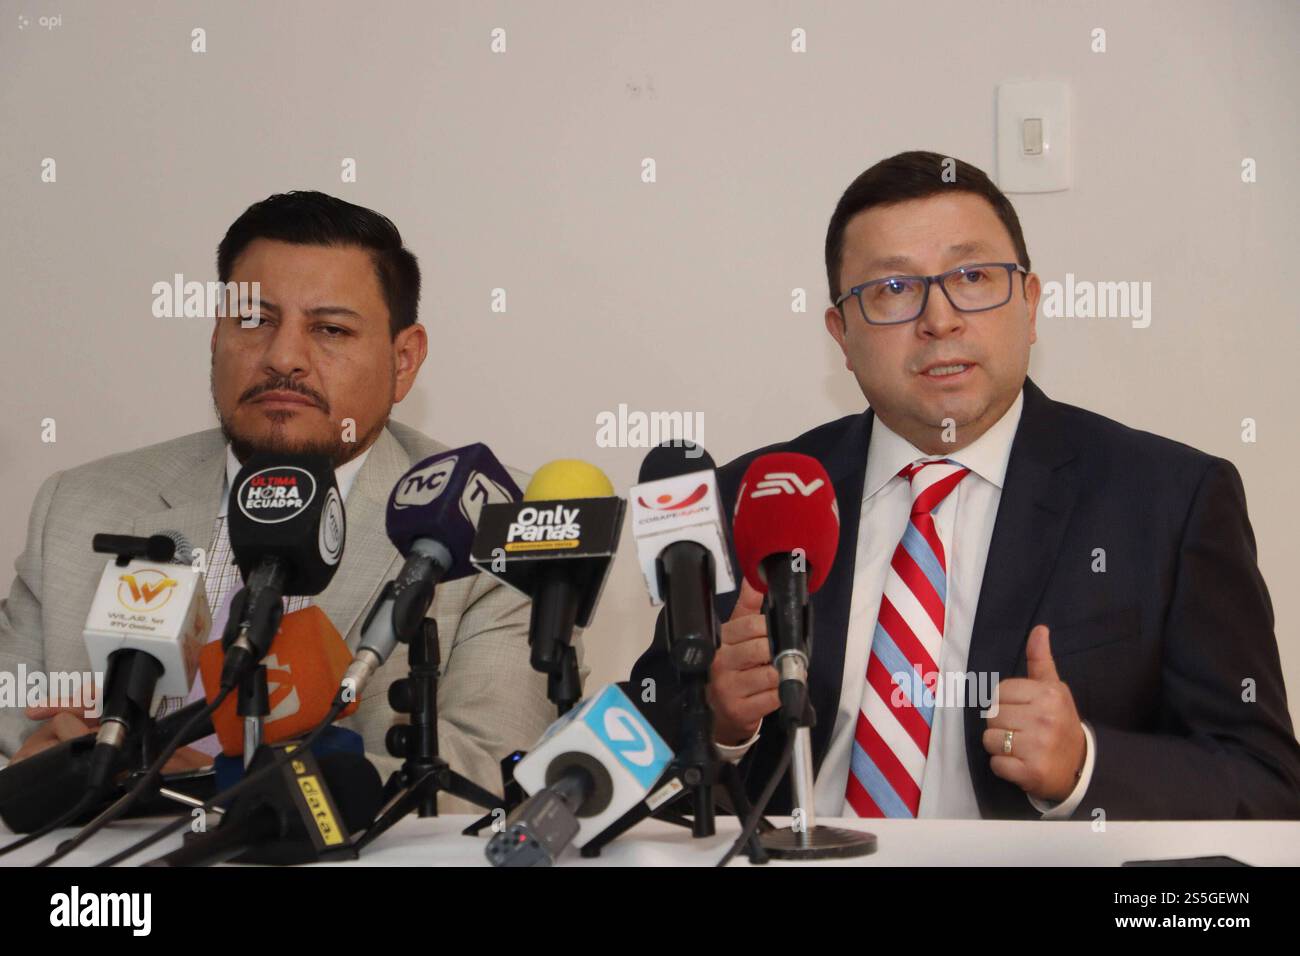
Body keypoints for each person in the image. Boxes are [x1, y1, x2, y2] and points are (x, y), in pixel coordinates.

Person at [632, 151, 1300, 820]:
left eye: (974, 276)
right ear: (841, 334)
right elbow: (625, 773)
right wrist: (716, 725)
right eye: (892, 290)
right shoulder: (748, 496)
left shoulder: (1168, 501)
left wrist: (1084, 768)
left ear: (1030, 305)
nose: (939, 319)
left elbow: (1266, 784)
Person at [0, 191, 559, 810]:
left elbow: (495, 766)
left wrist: (216, 788)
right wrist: (40, 767)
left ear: (404, 360)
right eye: (254, 320)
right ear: (216, 336)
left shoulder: (497, 518)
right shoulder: (80, 506)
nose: (283, 357)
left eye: (330, 329)